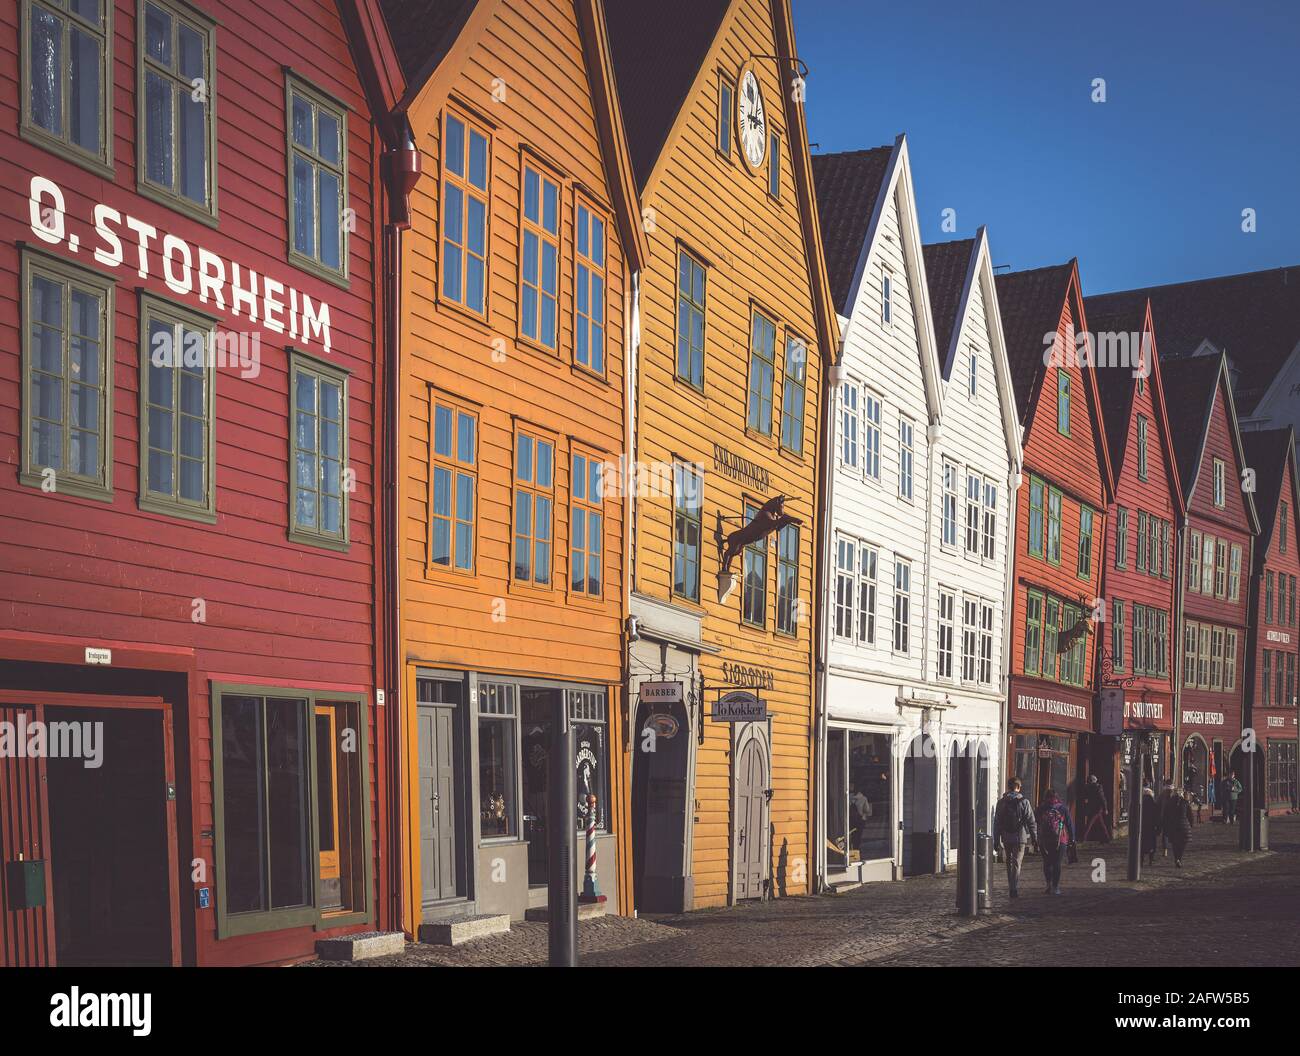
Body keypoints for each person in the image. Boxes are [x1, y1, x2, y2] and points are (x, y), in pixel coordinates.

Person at [992, 778, 1037, 898]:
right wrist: (1034, 838)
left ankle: (1010, 885)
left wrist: (996, 840)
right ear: (1019, 787)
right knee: (1017, 863)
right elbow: (1031, 821)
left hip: (1006, 836)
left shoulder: (1001, 802)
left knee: (1008, 862)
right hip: (1020, 837)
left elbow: (997, 822)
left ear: (1008, 787)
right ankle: (1014, 887)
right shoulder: (1024, 802)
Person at [1036, 787, 1076, 894]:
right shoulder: (1062, 808)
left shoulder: (1040, 808)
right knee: (1057, 863)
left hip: (1044, 840)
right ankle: (1056, 887)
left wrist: (1036, 838)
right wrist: (1072, 838)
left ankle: (1048, 884)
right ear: (1057, 797)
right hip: (1060, 839)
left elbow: (1036, 823)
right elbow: (1069, 824)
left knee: (1047, 862)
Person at [1162, 786, 1194, 867]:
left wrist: (1165, 825)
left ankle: (1176, 858)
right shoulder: (1185, 802)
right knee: (1183, 843)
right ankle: (1179, 858)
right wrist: (1190, 825)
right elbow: (1190, 815)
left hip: (1173, 825)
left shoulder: (1169, 802)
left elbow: (1165, 815)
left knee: (1175, 843)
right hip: (1184, 826)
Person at [1080, 773, 1111, 843]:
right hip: (1097, 808)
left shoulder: (1091, 787)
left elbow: (1101, 798)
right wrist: (1105, 808)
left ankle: (1083, 838)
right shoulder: (1097, 787)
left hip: (1096, 808)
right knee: (1101, 823)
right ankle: (1106, 838)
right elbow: (1102, 798)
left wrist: (1105, 808)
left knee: (1089, 823)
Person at [1139, 783, 1160, 866]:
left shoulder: (1140, 805)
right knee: (1152, 845)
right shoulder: (1154, 805)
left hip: (1142, 828)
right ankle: (1151, 860)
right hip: (1151, 828)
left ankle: (1141, 861)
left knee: (1141, 845)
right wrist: (1158, 828)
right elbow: (1157, 818)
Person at [1155, 779, 1174, 857]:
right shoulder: (1174, 794)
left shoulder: (1162, 794)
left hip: (1163, 817)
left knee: (1165, 834)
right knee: (1174, 833)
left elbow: (1157, 806)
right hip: (1173, 817)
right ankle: (1175, 848)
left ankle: (1165, 850)